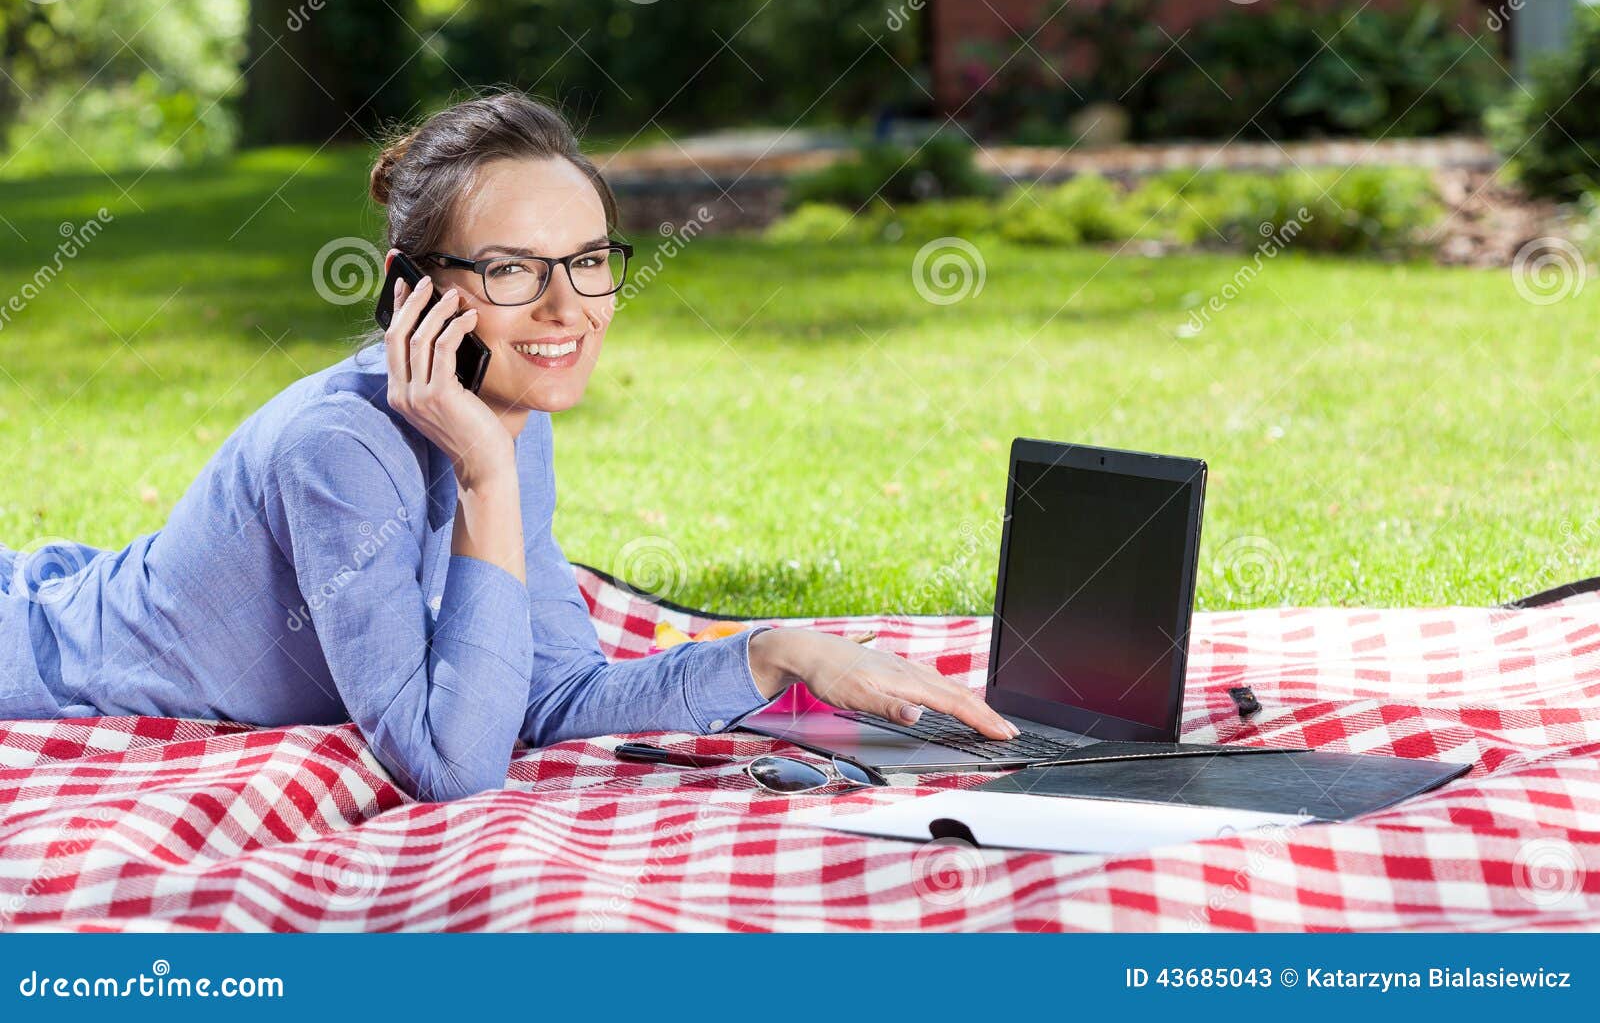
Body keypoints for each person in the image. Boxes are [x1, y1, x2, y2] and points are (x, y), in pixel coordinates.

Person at [0, 90, 1017, 802]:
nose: (568, 308)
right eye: (512, 270)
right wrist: (484, 472)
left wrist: (775, 654)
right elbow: (452, 761)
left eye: (588, 259)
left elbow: (556, 693)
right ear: (410, 290)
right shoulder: (345, 447)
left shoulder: (508, 413)